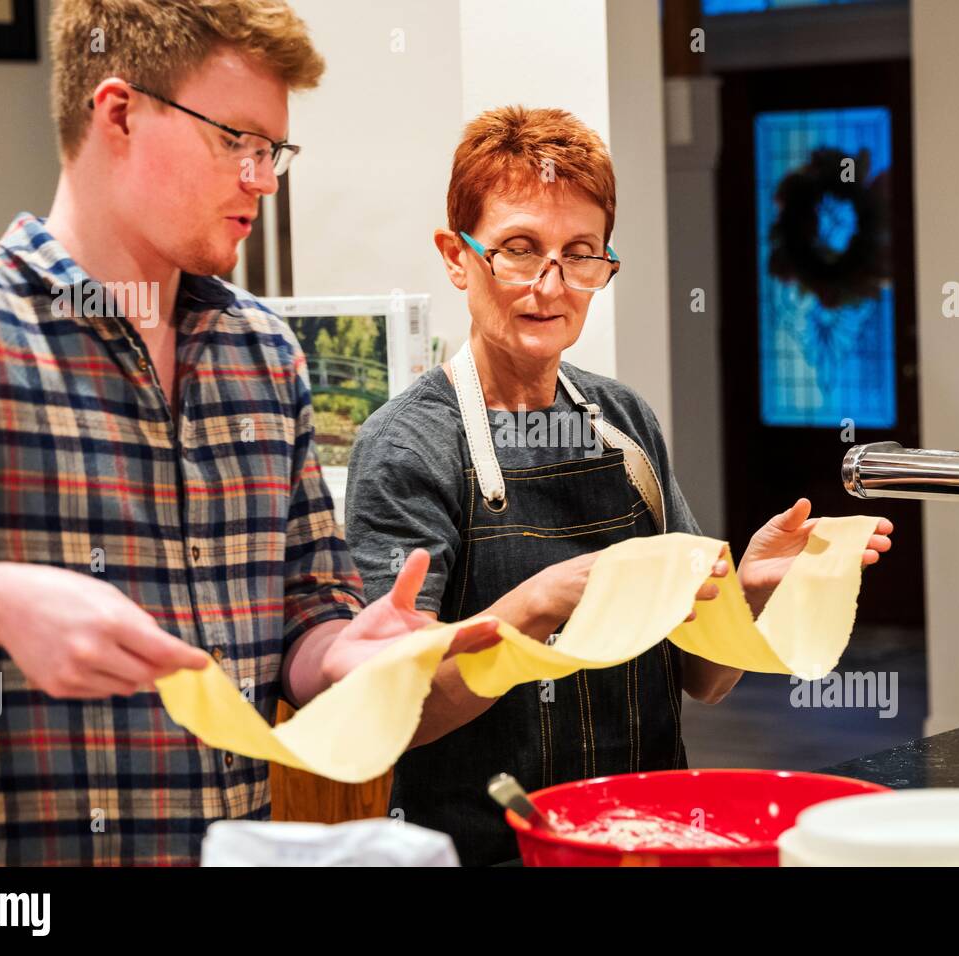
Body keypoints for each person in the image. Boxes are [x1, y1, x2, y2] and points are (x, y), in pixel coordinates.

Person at [0, 0, 494, 866]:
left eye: (275, 150)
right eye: (237, 141)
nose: (265, 179)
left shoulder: (263, 354)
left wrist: (337, 651)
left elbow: (305, 615)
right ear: (119, 113)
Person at [344, 105, 895, 866]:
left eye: (580, 253)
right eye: (518, 249)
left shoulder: (623, 421)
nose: (552, 284)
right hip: (493, 852)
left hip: (652, 836)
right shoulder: (409, 448)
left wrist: (749, 589)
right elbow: (391, 714)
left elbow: (705, 678)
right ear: (456, 255)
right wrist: (533, 606)